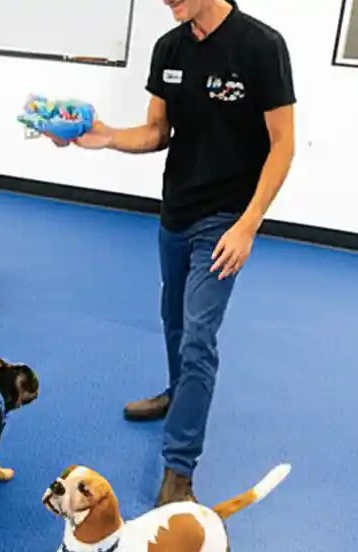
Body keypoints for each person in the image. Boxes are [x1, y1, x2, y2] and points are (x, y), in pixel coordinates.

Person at [48, 0, 296, 506]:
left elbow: (282, 144)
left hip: (225, 220)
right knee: (175, 320)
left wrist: (249, 224)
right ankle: (177, 392)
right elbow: (158, 131)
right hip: (176, 212)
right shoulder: (169, 48)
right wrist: (103, 137)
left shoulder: (261, 46)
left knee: (199, 337)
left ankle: (179, 470)